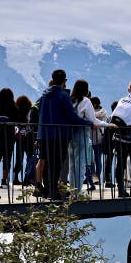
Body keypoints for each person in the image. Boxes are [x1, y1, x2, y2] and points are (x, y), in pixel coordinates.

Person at [36, 70, 96, 200]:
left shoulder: (44, 95)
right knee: (57, 163)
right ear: (64, 81)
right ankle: (54, 192)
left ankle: (47, 190)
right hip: (59, 135)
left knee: (47, 162)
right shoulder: (63, 96)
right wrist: (88, 123)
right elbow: (71, 116)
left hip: (44, 133)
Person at [70, 80, 113, 194]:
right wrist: (108, 125)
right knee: (80, 163)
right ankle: (77, 191)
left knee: (72, 163)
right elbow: (92, 120)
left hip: (69, 135)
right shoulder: (85, 101)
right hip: (81, 133)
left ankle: (72, 189)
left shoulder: (70, 100)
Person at [0, 88, 19, 189]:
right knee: (7, 159)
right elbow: (16, 120)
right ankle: (4, 181)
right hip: (9, 136)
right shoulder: (14, 108)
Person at [13, 95, 36, 186]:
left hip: (19, 138)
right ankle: (27, 177)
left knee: (19, 158)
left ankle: (15, 177)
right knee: (30, 157)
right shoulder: (30, 110)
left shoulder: (17, 112)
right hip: (29, 138)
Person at [90, 96, 107, 185]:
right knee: (97, 159)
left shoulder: (91, 113)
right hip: (99, 138)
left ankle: (93, 177)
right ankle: (96, 177)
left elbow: (92, 117)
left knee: (91, 159)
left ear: (94, 104)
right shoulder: (104, 112)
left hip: (91, 138)